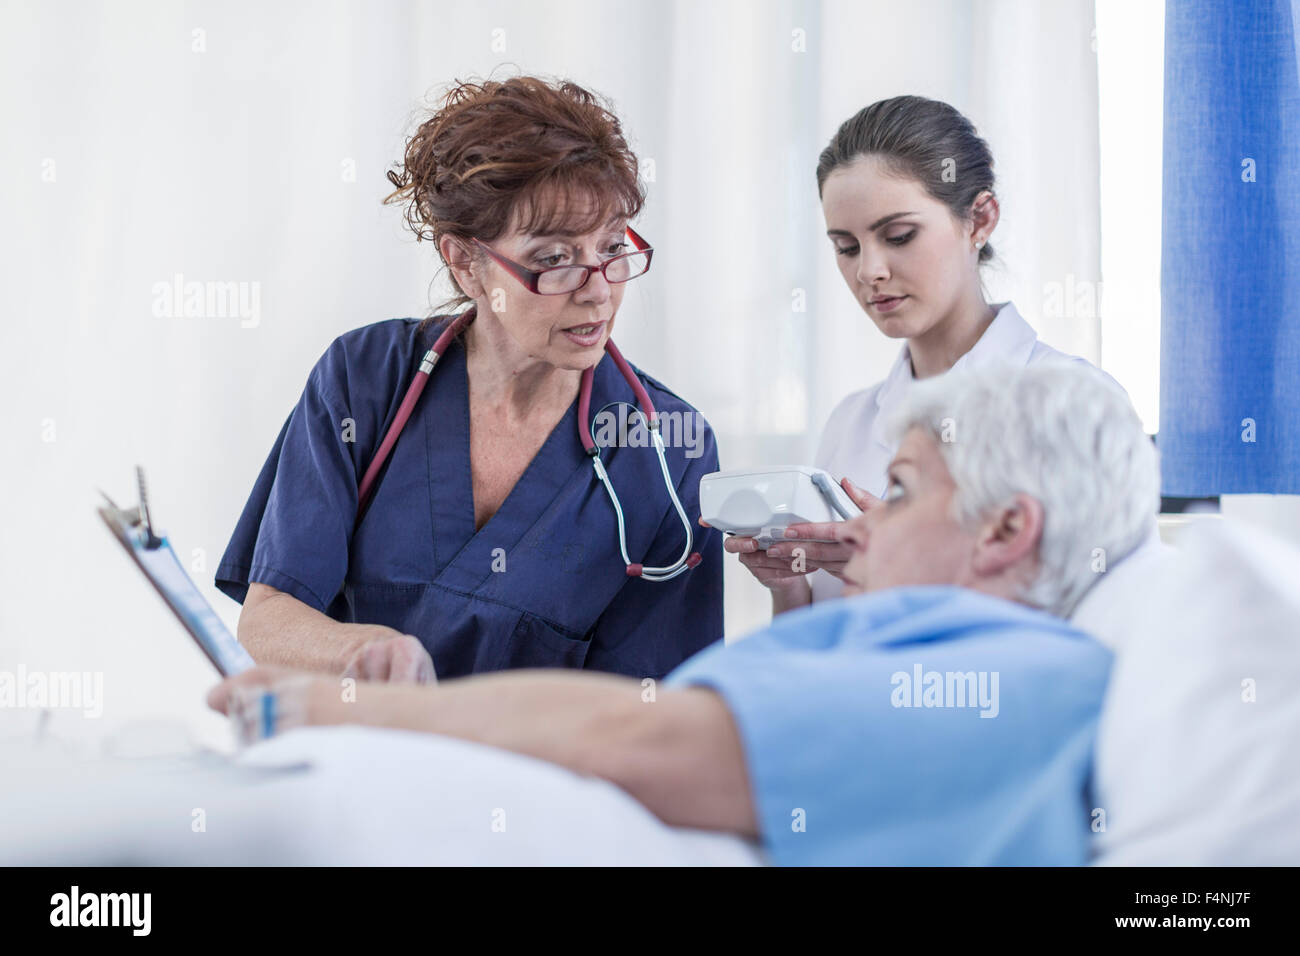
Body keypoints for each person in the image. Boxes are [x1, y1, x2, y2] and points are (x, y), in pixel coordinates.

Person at [210, 363, 1161, 866]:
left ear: (1003, 530)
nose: (867, 518)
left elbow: (651, 743)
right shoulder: (910, 643)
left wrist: (335, 709)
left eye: (902, 491)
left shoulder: (1004, 679)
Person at [215, 77, 723, 683]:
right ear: (464, 262)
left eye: (613, 247)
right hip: (347, 764)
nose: (599, 290)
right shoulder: (365, 379)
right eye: (553, 260)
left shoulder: (666, 448)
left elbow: (654, 710)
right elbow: (270, 617)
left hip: (538, 778)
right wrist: (363, 654)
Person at [725, 95, 1109, 616]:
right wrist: (789, 585)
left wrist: (911, 563)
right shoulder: (851, 422)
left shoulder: (1074, 403)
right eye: (847, 247)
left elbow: (1088, 632)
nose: (870, 271)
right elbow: (818, 655)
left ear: (979, 219)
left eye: (898, 236)